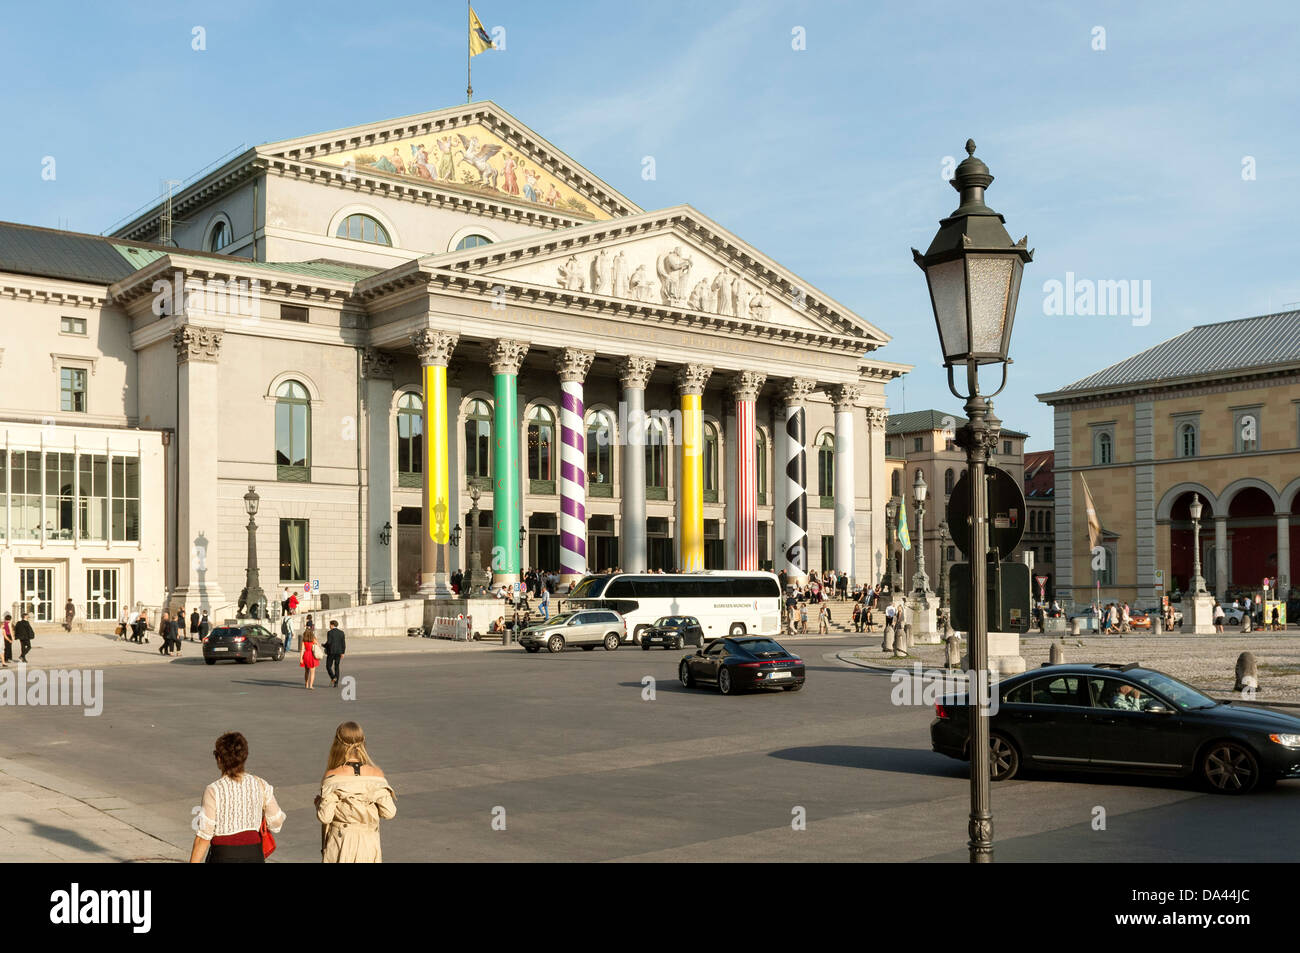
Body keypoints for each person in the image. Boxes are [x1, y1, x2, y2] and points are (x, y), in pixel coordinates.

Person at [189, 731, 285, 864]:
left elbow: (204, 837)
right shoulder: (260, 784)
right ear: (244, 757)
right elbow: (277, 822)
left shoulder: (213, 790)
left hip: (223, 855)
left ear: (219, 759)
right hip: (254, 854)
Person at [315, 722, 396, 863]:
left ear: (337, 743)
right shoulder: (377, 774)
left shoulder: (332, 776)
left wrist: (318, 803)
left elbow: (325, 817)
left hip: (341, 843)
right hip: (369, 842)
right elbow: (389, 812)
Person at [324, 620, 346, 688]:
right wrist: (343, 652)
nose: (329, 626)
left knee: (328, 666)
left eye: (330, 625)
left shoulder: (330, 632)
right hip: (339, 652)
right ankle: (336, 683)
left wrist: (324, 645)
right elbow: (343, 644)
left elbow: (329, 642)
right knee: (337, 667)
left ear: (332, 625)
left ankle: (333, 677)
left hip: (331, 652)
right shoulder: (341, 632)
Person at [301, 626, 321, 690]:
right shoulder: (313, 640)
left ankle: (306, 684)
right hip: (312, 655)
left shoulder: (304, 641)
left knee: (306, 671)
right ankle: (311, 685)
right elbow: (318, 645)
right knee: (312, 672)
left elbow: (302, 650)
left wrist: (301, 659)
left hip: (306, 655)